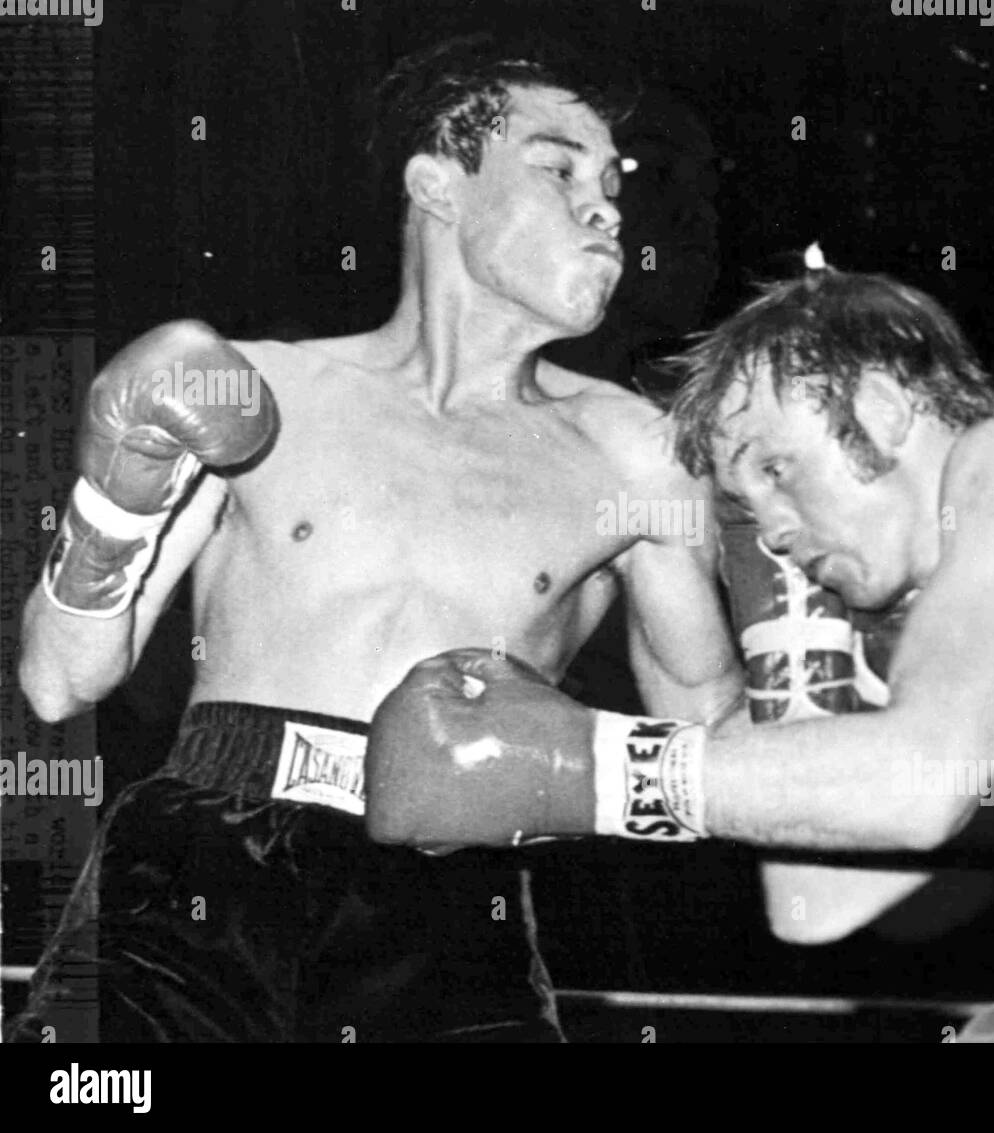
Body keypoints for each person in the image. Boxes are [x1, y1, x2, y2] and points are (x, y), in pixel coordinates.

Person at [10, 33, 742, 1043]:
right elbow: (58, 680)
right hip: (199, 871)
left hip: (451, 905)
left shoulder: (630, 451)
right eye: (557, 166)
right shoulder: (260, 391)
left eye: (612, 182)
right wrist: (113, 500)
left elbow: (709, 729)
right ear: (437, 186)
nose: (606, 204)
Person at [363, 268, 994, 1042]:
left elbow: (919, 781)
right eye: (746, 508)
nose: (771, 530)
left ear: (887, 408)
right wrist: (756, 638)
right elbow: (816, 904)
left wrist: (579, 763)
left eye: (776, 468)